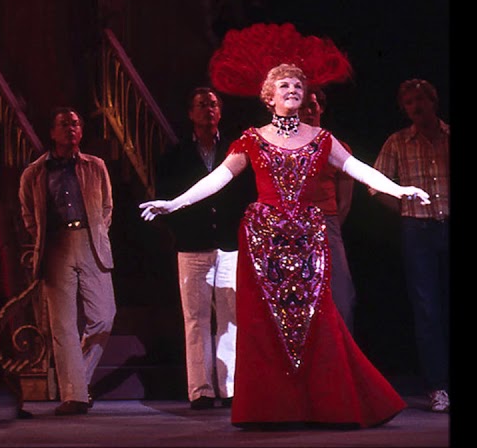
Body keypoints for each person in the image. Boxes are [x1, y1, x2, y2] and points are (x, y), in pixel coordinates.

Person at [141, 64, 426, 428]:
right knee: (265, 327)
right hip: (265, 244)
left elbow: (358, 169)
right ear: (269, 96)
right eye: (283, 84)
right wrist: (175, 202)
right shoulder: (251, 139)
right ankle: (272, 409)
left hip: (309, 241)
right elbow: (218, 179)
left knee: (318, 322)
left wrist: (398, 190)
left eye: (297, 84)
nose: (292, 89)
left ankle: (327, 404)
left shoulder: (322, 138)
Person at [18, 107, 116, 416]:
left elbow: (106, 206)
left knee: (104, 315)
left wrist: (96, 233)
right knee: (63, 324)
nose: (70, 128)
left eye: (75, 123)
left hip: (89, 240)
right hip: (56, 243)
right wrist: (43, 240)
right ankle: (74, 395)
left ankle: (78, 381)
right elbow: (28, 213)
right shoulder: (36, 171)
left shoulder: (95, 166)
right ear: (52, 132)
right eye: (64, 124)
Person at [152, 87, 245, 409]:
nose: (208, 109)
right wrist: (183, 230)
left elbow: (245, 194)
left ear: (220, 112)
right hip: (193, 246)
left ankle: (230, 386)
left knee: (230, 317)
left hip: (229, 245)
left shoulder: (235, 152)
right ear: (190, 113)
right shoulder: (173, 156)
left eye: (214, 104)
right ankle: (201, 390)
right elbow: (166, 200)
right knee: (196, 319)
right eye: (202, 105)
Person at [372, 78, 450, 414]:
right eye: (409, 103)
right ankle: (438, 386)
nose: (416, 107)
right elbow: (377, 186)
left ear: (434, 101)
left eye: (421, 100)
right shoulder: (398, 141)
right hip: (418, 230)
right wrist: (406, 209)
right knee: (427, 310)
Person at [299, 86, 357, 333]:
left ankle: (342, 361)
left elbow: (345, 201)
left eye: (313, 105)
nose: (309, 111)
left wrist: (327, 228)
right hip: (294, 227)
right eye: (304, 106)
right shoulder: (288, 147)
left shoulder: (337, 146)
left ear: (321, 108)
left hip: (328, 225)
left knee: (342, 296)